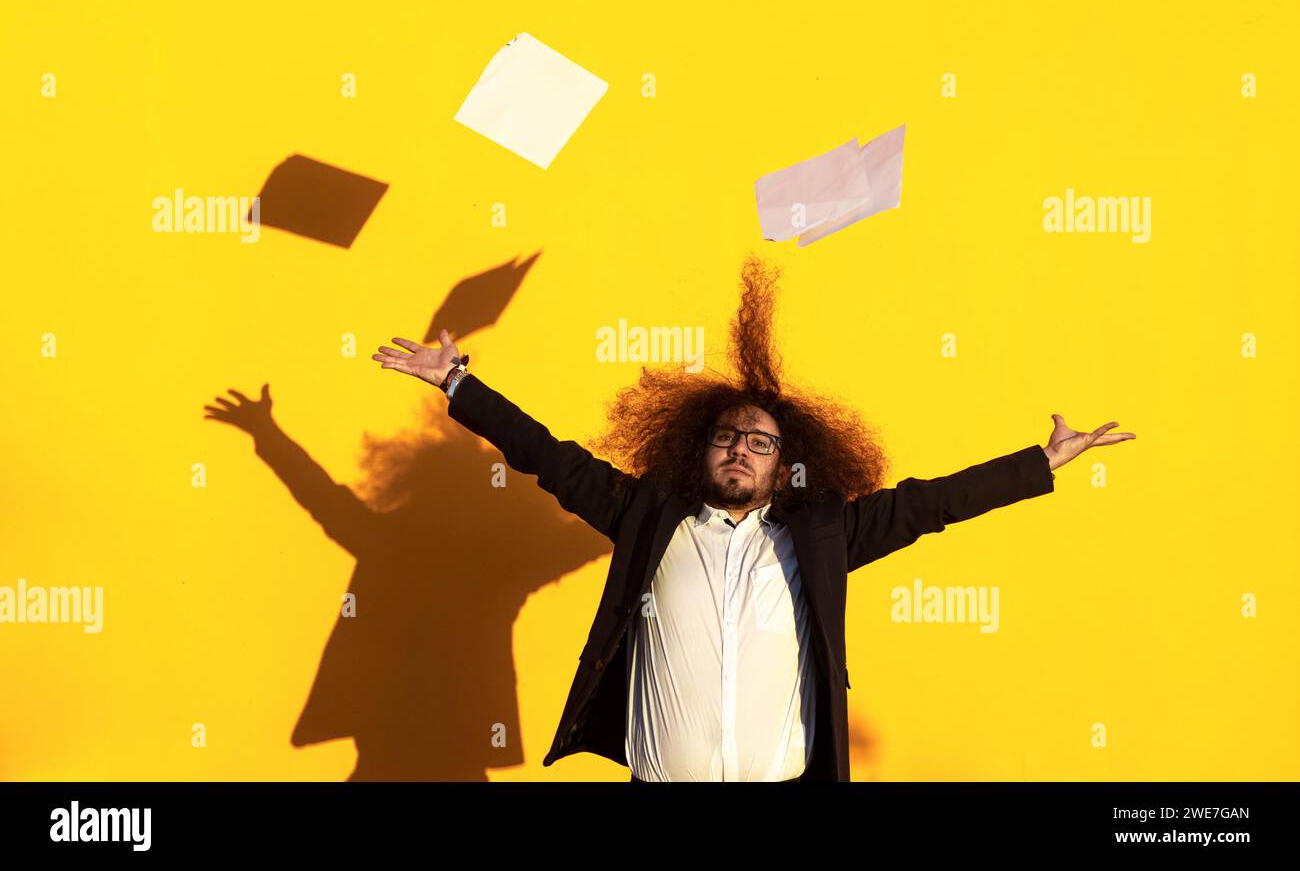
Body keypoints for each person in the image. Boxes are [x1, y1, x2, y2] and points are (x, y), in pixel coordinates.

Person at [371, 254, 1136, 781]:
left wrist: (1039, 462)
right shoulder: (644, 516)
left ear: (786, 460)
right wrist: (459, 384)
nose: (741, 450)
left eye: (760, 443)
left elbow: (929, 505)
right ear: (695, 448)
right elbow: (546, 455)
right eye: (727, 436)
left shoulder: (824, 535)